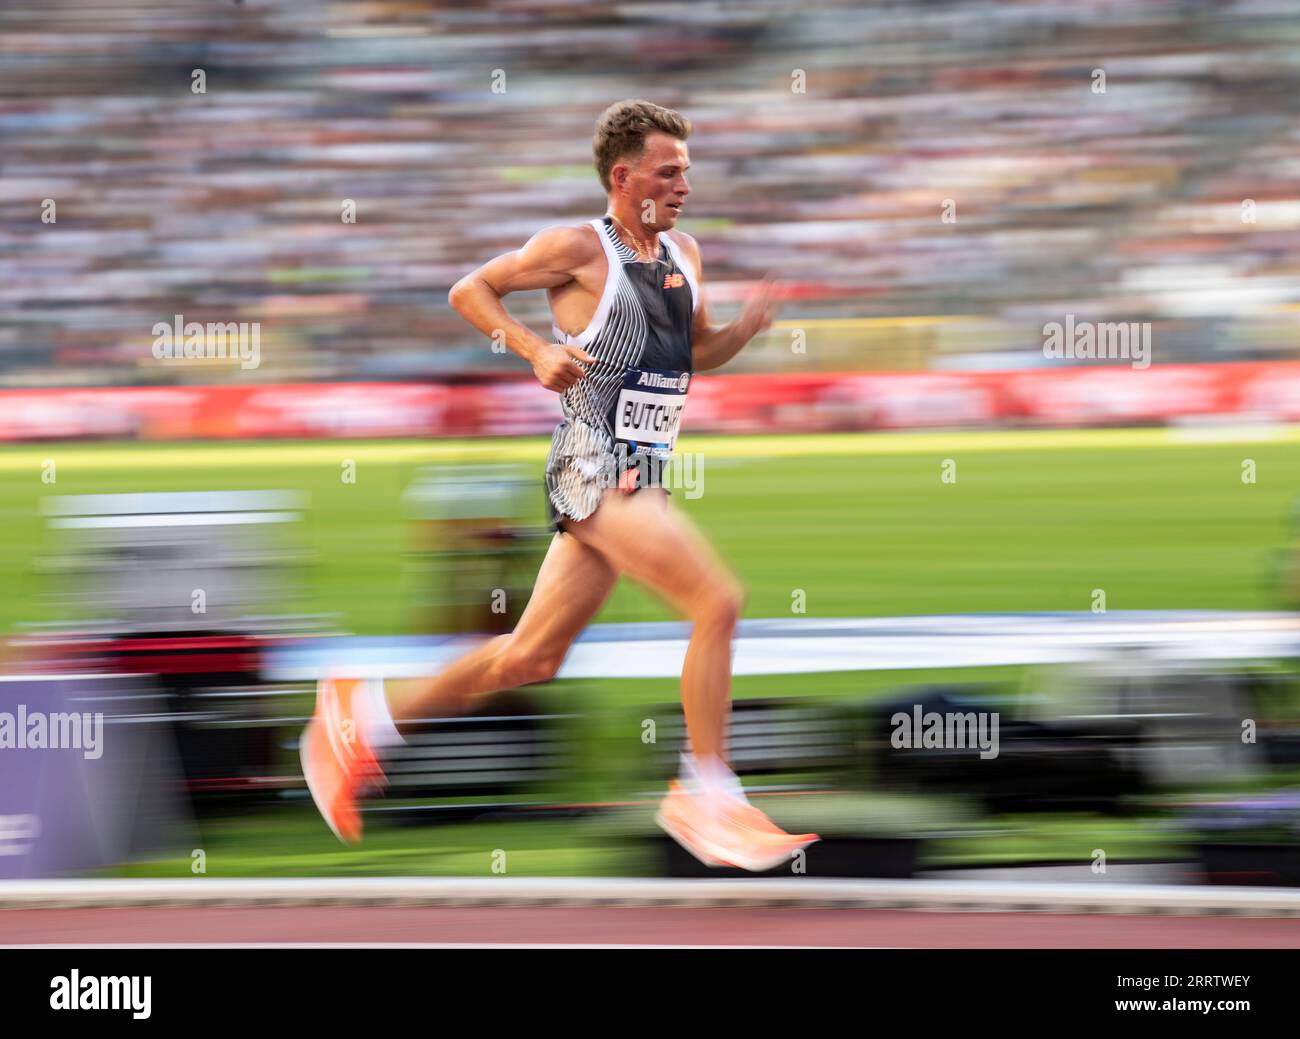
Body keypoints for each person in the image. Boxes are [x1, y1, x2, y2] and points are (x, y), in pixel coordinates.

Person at [301, 99, 818, 871]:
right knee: (719, 601)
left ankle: (361, 714)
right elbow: (469, 289)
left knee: (529, 660)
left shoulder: (686, 252)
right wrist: (532, 349)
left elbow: (693, 349)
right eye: (668, 170)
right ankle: (706, 792)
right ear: (623, 175)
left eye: (687, 170)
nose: (684, 183)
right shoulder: (579, 247)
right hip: (593, 464)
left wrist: (744, 329)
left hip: (644, 473)